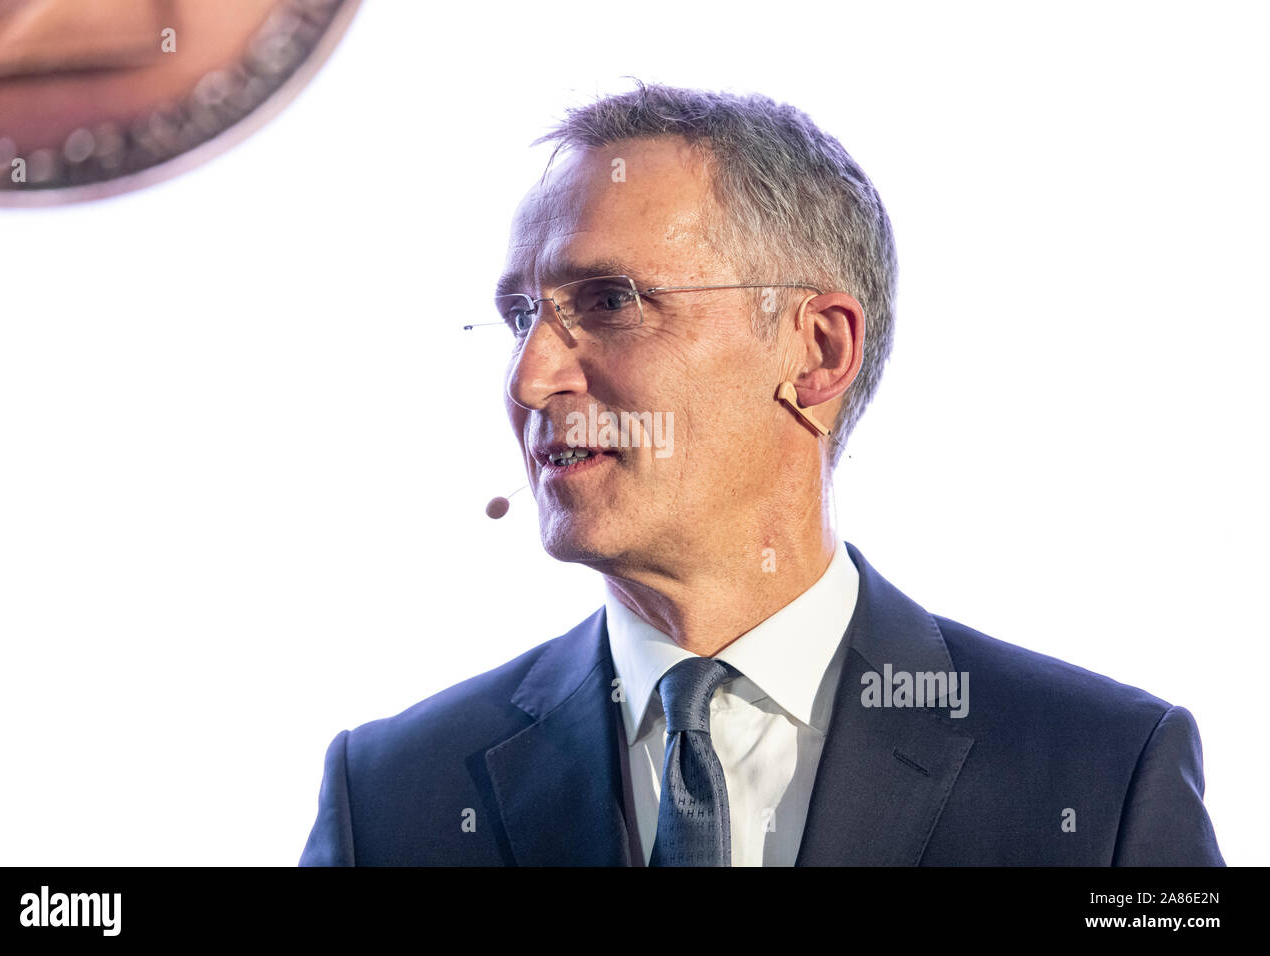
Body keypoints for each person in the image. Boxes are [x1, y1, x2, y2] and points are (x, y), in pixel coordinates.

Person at [298, 82, 1223, 866]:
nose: (531, 377)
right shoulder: (390, 799)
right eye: (518, 317)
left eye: (611, 302)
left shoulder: (1101, 779)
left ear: (816, 351)